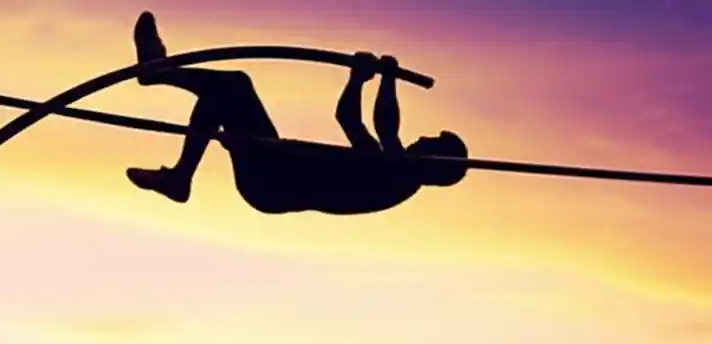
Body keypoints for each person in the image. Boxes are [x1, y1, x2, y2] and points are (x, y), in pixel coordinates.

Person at [126, 11, 468, 215]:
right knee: (228, 91)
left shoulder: (401, 177)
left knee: (233, 88)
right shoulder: (382, 169)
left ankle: (161, 75)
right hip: (274, 169)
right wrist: (358, 79)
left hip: (273, 179)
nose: (421, 137)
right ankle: (180, 177)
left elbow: (386, 127)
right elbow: (349, 119)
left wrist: (387, 78)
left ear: (435, 162)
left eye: (430, 141)